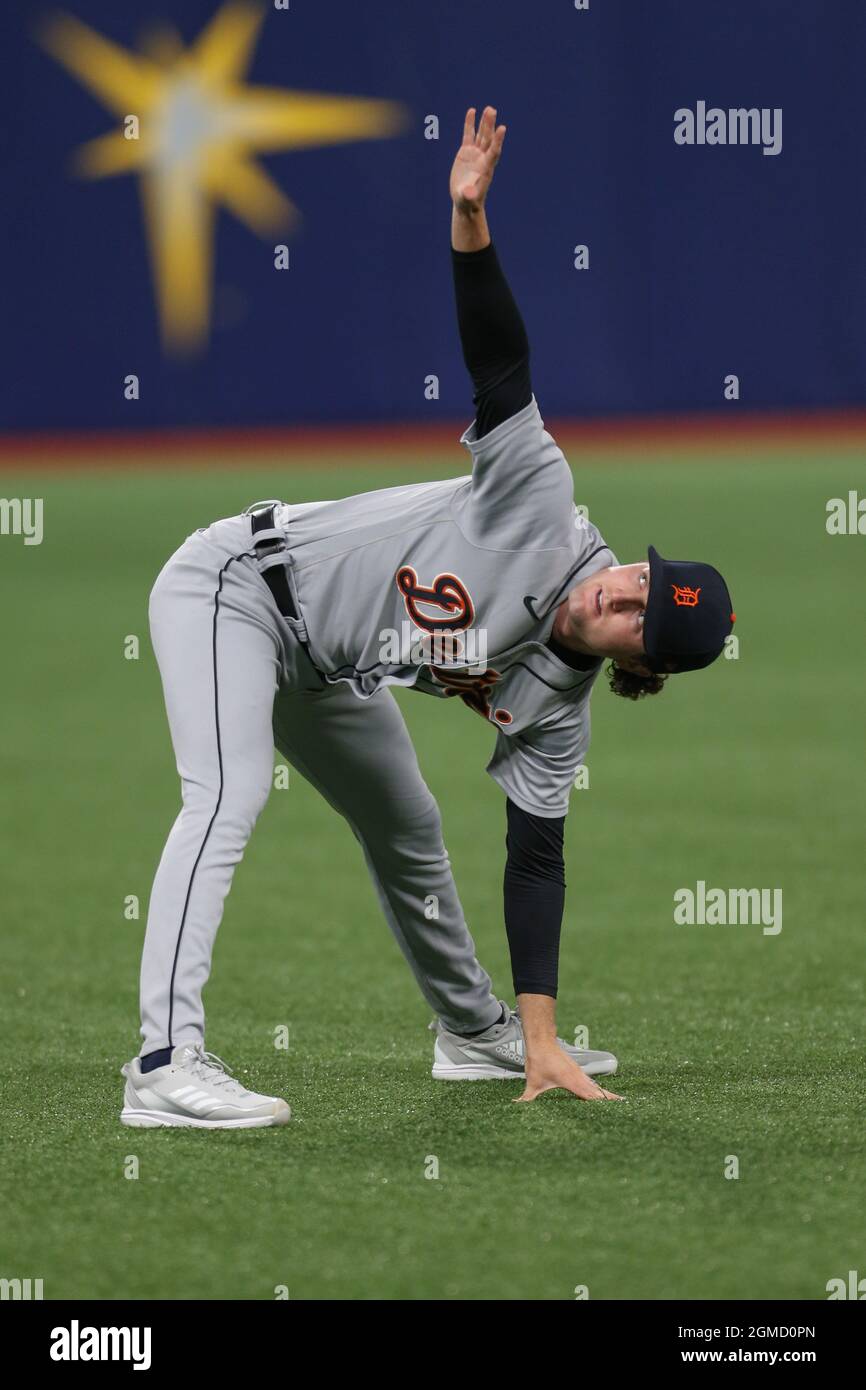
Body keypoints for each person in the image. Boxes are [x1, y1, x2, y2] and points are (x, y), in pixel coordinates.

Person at [120, 107, 734, 1127]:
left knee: (407, 826)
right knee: (226, 793)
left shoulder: (557, 714)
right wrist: (469, 223)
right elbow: (500, 363)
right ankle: (161, 1063)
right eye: (639, 576)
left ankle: (474, 1033)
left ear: (642, 667)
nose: (619, 593)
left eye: (638, 619)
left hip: (326, 669)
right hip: (237, 587)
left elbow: (535, 861)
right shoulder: (540, 503)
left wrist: (542, 1037)